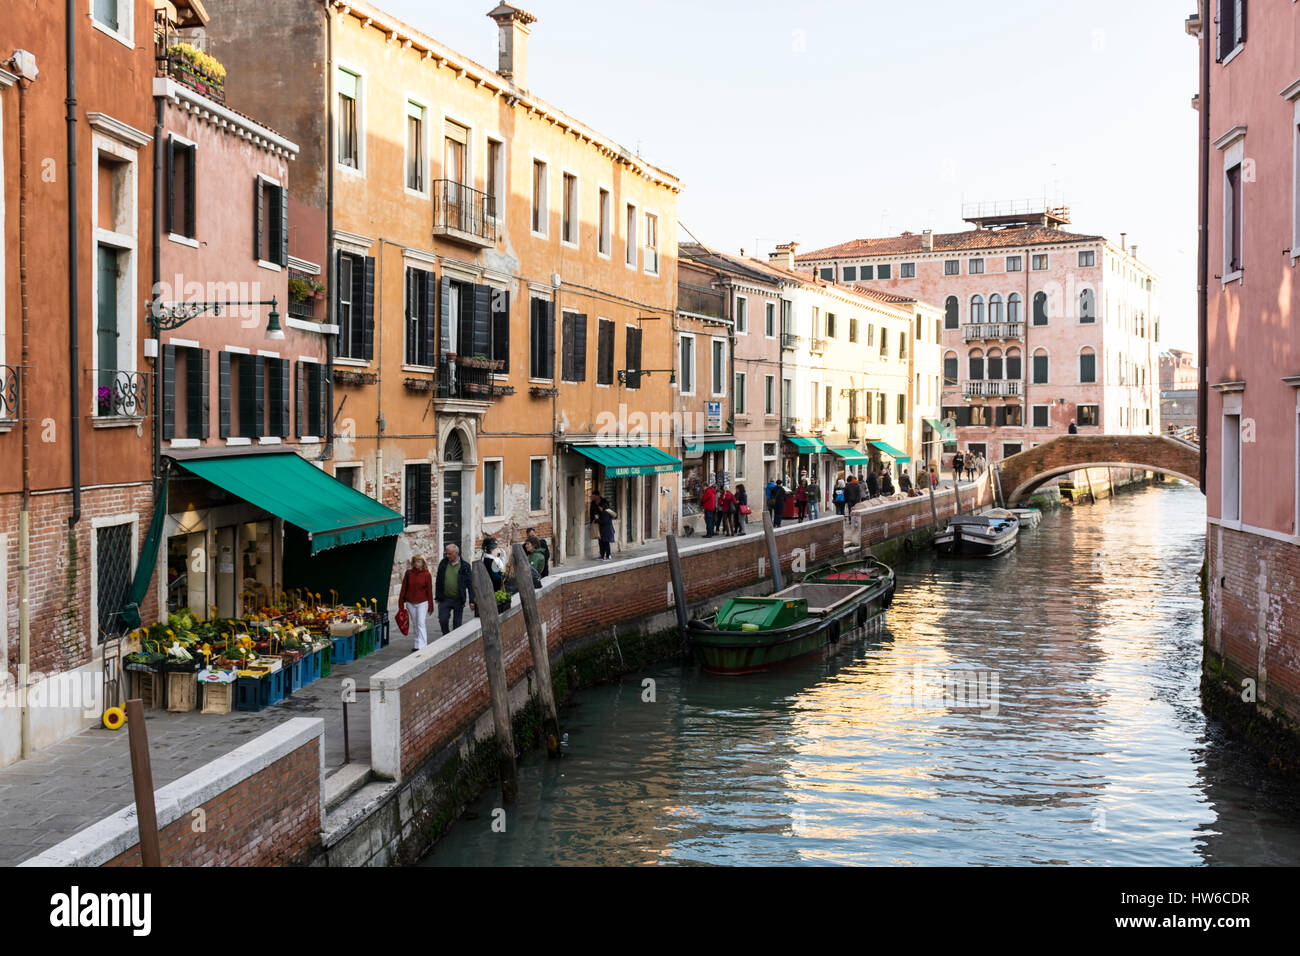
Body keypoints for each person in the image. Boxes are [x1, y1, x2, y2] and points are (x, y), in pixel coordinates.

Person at [432, 545, 472, 638]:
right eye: (446, 553)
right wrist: (438, 597)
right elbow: (438, 581)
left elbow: (470, 584)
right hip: (445, 598)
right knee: (443, 619)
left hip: (458, 599)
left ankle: (455, 640)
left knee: (457, 625)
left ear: (456, 553)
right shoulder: (443, 563)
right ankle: (446, 635)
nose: (447, 556)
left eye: (449, 554)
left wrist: (472, 601)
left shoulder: (465, 566)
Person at [399, 554, 435, 650]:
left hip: (423, 602)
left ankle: (423, 646)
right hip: (410, 602)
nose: (416, 563)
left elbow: (429, 591)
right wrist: (401, 604)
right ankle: (416, 644)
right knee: (415, 624)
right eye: (415, 561)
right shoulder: (408, 573)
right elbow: (403, 589)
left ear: (423, 563)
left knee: (421, 623)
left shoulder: (427, 574)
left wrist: (431, 606)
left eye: (418, 561)